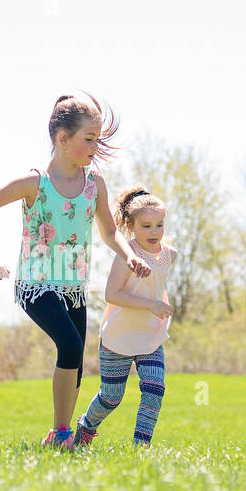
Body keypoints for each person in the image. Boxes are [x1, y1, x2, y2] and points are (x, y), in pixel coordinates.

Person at [0, 93, 151, 449]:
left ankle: (63, 434)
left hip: (73, 286)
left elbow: (109, 230)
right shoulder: (33, 184)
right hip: (35, 286)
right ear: (62, 140)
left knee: (76, 361)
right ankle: (62, 432)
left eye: (98, 140)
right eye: (89, 139)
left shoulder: (93, 183)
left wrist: (129, 253)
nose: (95, 147)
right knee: (68, 345)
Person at [72, 186, 174, 448]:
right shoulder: (126, 255)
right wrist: (150, 304)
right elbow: (112, 294)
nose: (154, 232)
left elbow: (156, 284)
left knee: (155, 389)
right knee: (111, 397)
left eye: (159, 225)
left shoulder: (169, 255)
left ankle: (141, 447)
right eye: (147, 226)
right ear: (131, 226)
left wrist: (161, 305)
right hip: (118, 337)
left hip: (150, 336)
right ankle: (86, 426)